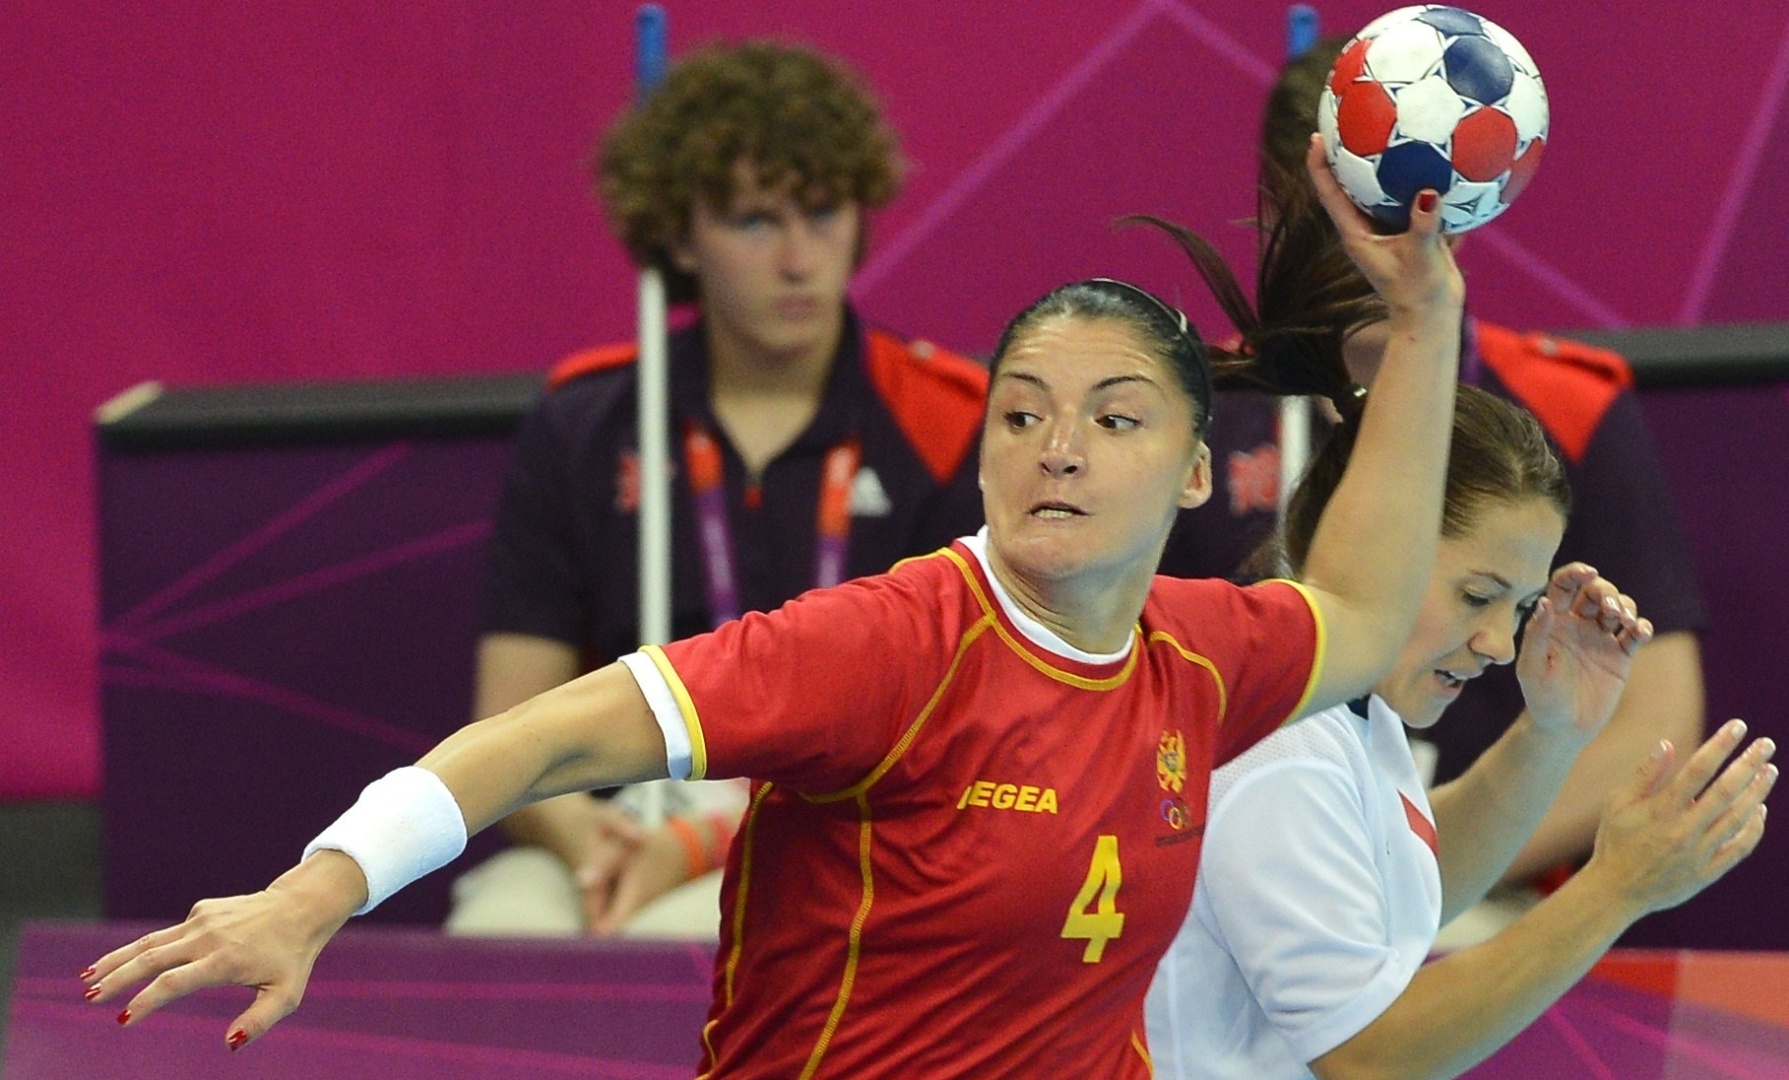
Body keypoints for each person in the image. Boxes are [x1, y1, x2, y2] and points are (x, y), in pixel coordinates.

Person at [85, 141, 1464, 1074]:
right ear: (982, 450)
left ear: (1189, 473)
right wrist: (319, 889)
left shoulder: (1203, 655)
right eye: (1024, 413)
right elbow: (546, 738)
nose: (1059, 448)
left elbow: (1361, 595)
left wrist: (1424, 329)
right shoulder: (888, 648)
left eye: (1114, 419)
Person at [1161, 36, 1709, 920]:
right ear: (1276, 196)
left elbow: (1654, 715)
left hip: (1480, 895)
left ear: (1454, 198)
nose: (1359, 231)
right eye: (1332, 196)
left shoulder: (1563, 411)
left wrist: (1404, 881)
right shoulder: (1191, 406)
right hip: (1223, 887)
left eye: (1388, 200)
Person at [454, 41, 991, 938]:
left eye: (823, 215)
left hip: (857, 839)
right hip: (621, 824)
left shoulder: (945, 427)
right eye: (753, 221)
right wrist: (593, 841)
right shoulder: (582, 426)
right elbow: (505, 726)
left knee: (699, 931)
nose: (797, 259)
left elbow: (949, 745)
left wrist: (699, 846)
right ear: (678, 236)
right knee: (502, 934)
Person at [1141, 371, 1773, 1079]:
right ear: (1378, 549)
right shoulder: (1282, 746)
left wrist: (1551, 734)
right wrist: (1617, 887)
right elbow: (1369, 1054)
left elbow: (1406, 887)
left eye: (1522, 605)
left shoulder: (1346, 709)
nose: (1500, 644)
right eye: (1478, 596)